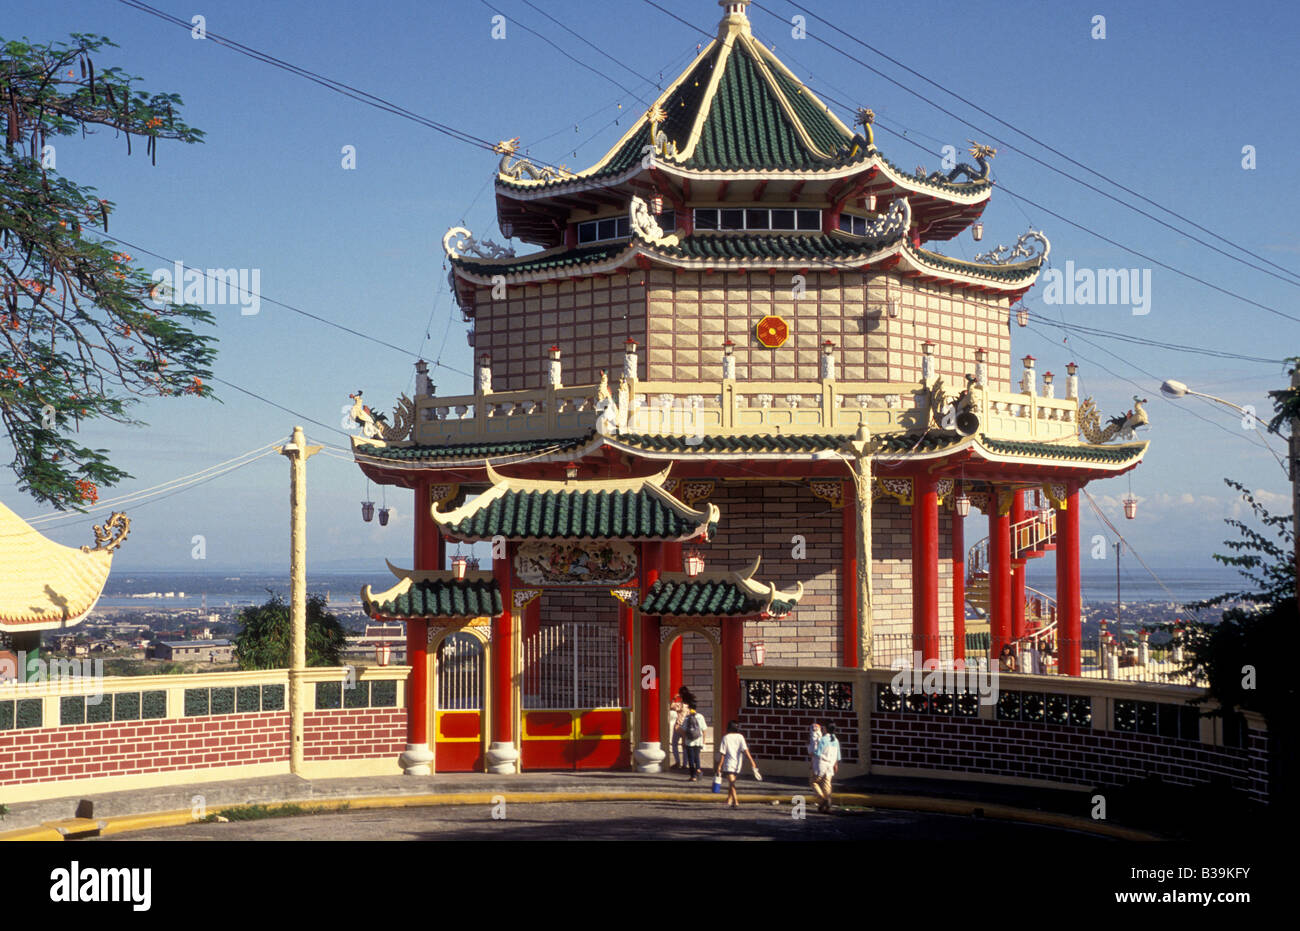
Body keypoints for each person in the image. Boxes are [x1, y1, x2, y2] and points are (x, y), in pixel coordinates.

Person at [715, 720, 758, 808]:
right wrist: (752, 761)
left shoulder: (725, 738)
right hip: (738, 764)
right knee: (732, 782)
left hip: (728, 763)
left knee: (731, 783)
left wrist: (719, 765)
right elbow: (746, 750)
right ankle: (729, 799)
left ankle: (736, 801)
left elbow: (723, 754)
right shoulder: (740, 737)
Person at [811, 723, 840, 813]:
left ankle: (822, 799)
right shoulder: (836, 740)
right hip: (830, 765)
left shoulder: (823, 739)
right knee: (827, 785)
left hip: (821, 764)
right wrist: (835, 765)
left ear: (826, 729)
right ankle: (827, 804)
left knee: (814, 782)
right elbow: (837, 755)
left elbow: (818, 753)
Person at [681, 701, 706, 782]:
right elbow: (704, 729)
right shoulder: (700, 717)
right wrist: (704, 741)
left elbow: (684, 731)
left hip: (689, 741)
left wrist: (683, 741)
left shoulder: (687, 718)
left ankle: (693, 776)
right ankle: (698, 768)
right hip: (698, 741)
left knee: (690, 759)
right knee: (697, 756)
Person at [668, 693, 686, 770]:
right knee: (685, 746)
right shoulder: (690, 705)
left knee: (674, 744)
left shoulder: (679, 705)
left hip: (678, 727)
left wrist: (674, 699)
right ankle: (685, 763)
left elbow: (670, 706)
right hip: (686, 728)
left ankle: (678, 762)